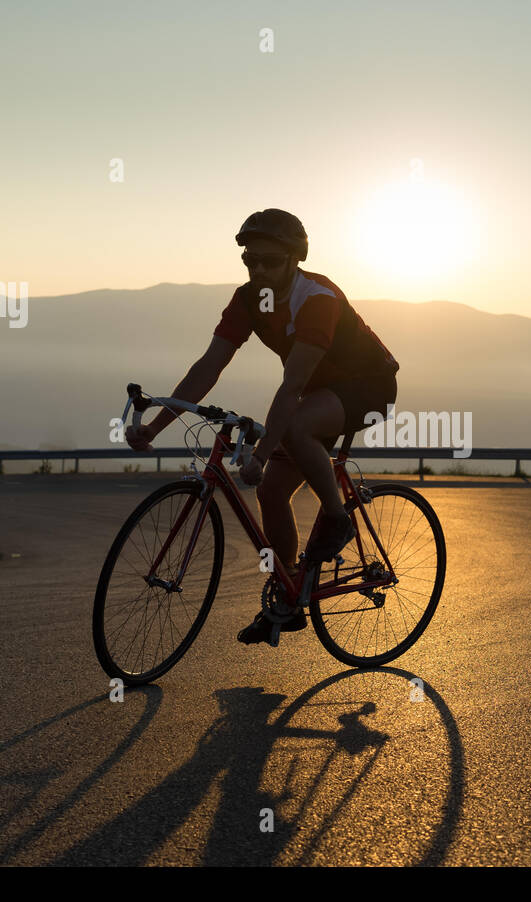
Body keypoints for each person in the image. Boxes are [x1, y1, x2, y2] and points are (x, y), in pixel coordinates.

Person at [125, 209, 400, 646]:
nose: (258, 270)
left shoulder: (317, 299)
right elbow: (208, 367)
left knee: (293, 429)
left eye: (269, 262)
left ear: (295, 259)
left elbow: (290, 388)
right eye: (250, 261)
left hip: (367, 386)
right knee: (271, 491)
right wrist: (156, 427)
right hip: (319, 390)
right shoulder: (249, 298)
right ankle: (288, 595)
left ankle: (336, 517)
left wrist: (258, 453)